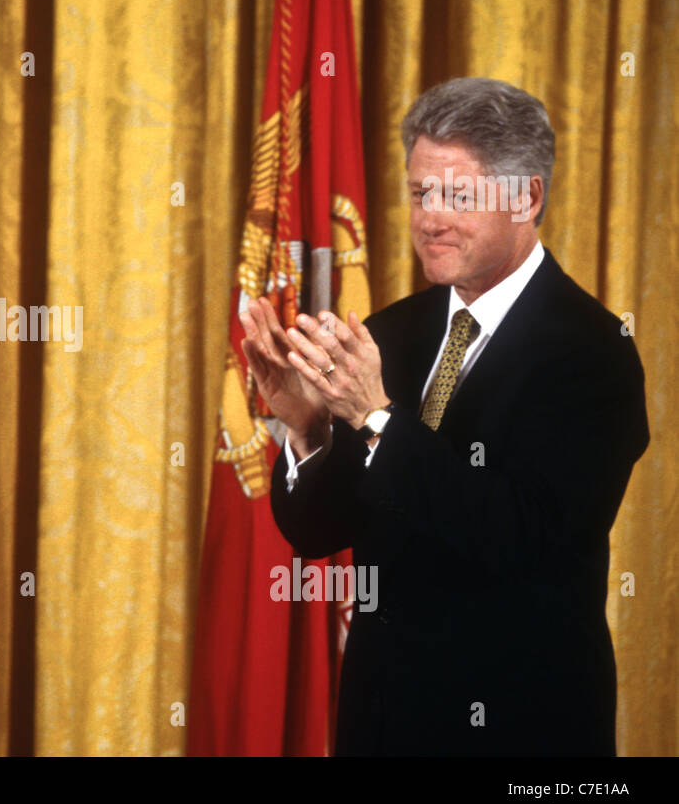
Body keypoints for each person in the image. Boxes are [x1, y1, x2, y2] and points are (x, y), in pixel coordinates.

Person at [239, 77, 648, 756]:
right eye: (420, 192)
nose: (429, 218)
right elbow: (321, 530)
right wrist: (305, 428)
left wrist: (375, 418)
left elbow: (521, 539)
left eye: (459, 195)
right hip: (382, 723)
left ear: (527, 198)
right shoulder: (391, 332)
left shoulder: (595, 353)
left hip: (522, 734)